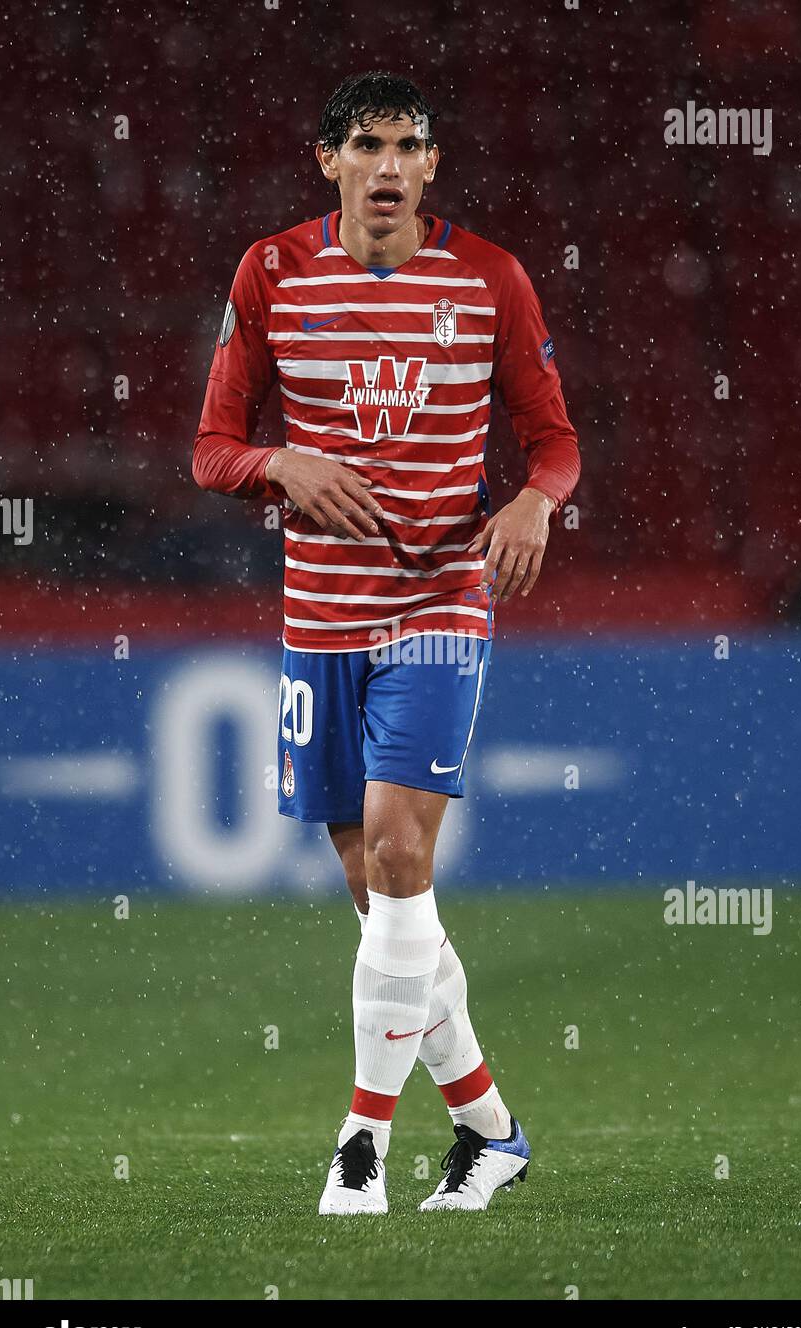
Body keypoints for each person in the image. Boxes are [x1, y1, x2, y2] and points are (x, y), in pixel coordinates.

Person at [193, 71, 580, 1214]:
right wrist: (280, 464)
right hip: (318, 614)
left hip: (440, 599)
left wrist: (532, 503)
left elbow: (551, 440)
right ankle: (490, 1128)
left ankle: (359, 1147)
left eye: (411, 146)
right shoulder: (269, 271)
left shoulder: (490, 277)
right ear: (328, 160)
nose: (391, 166)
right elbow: (212, 449)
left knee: (404, 862)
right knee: (380, 898)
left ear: (432, 165)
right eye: (367, 144)